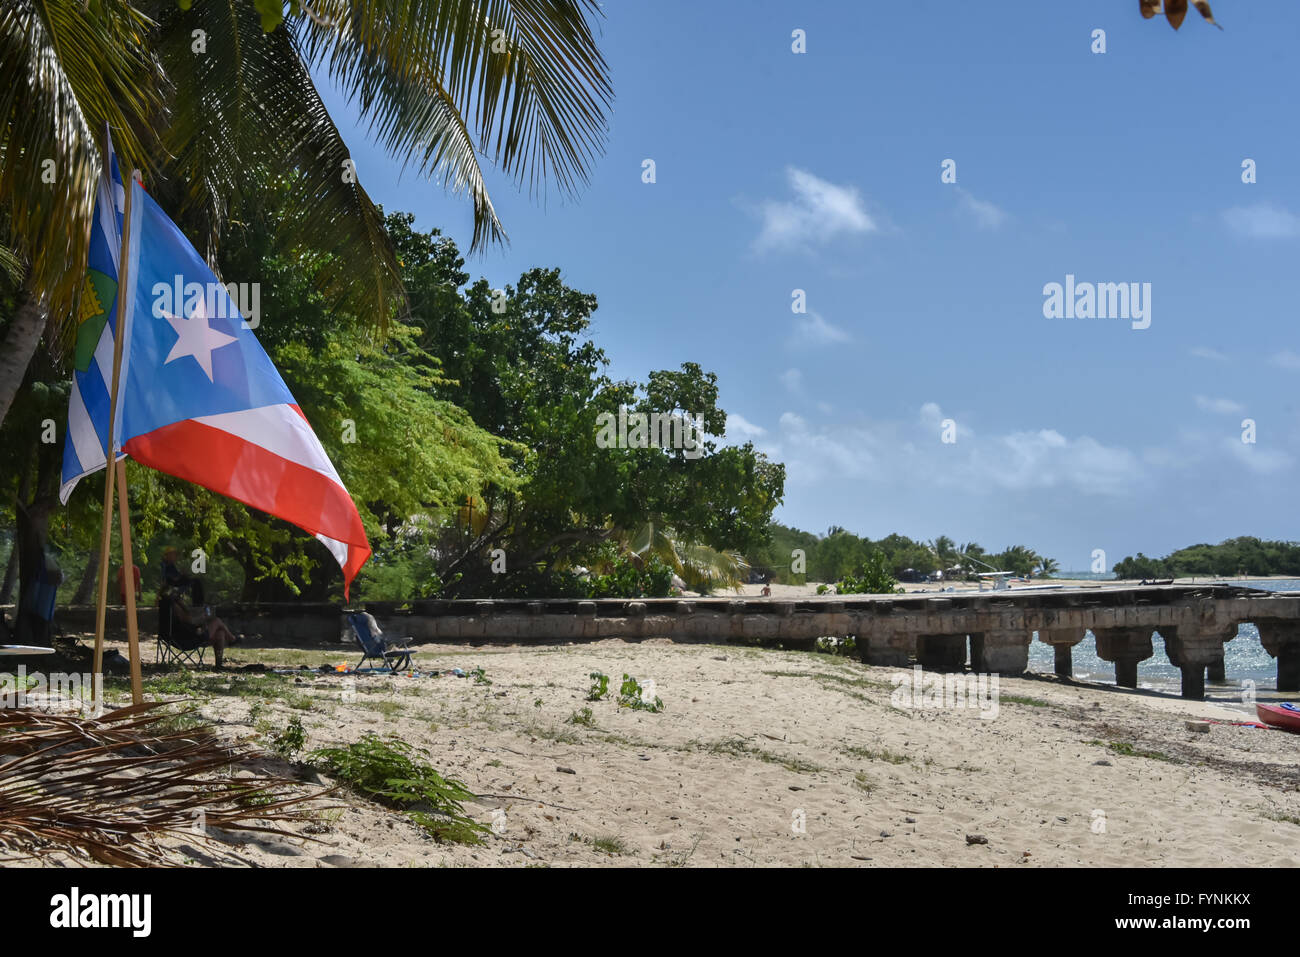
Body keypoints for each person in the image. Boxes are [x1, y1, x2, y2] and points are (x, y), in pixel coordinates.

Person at [157, 585, 238, 668]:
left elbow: (186, 624)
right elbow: (190, 622)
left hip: (177, 637)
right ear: (177, 596)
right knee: (217, 621)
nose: (184, 597)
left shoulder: (165, 606)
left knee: (220, 634)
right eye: (182, 595)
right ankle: (232, 639)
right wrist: (202, 617)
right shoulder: (175, 607)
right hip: (186, 640)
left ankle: (219, 665)